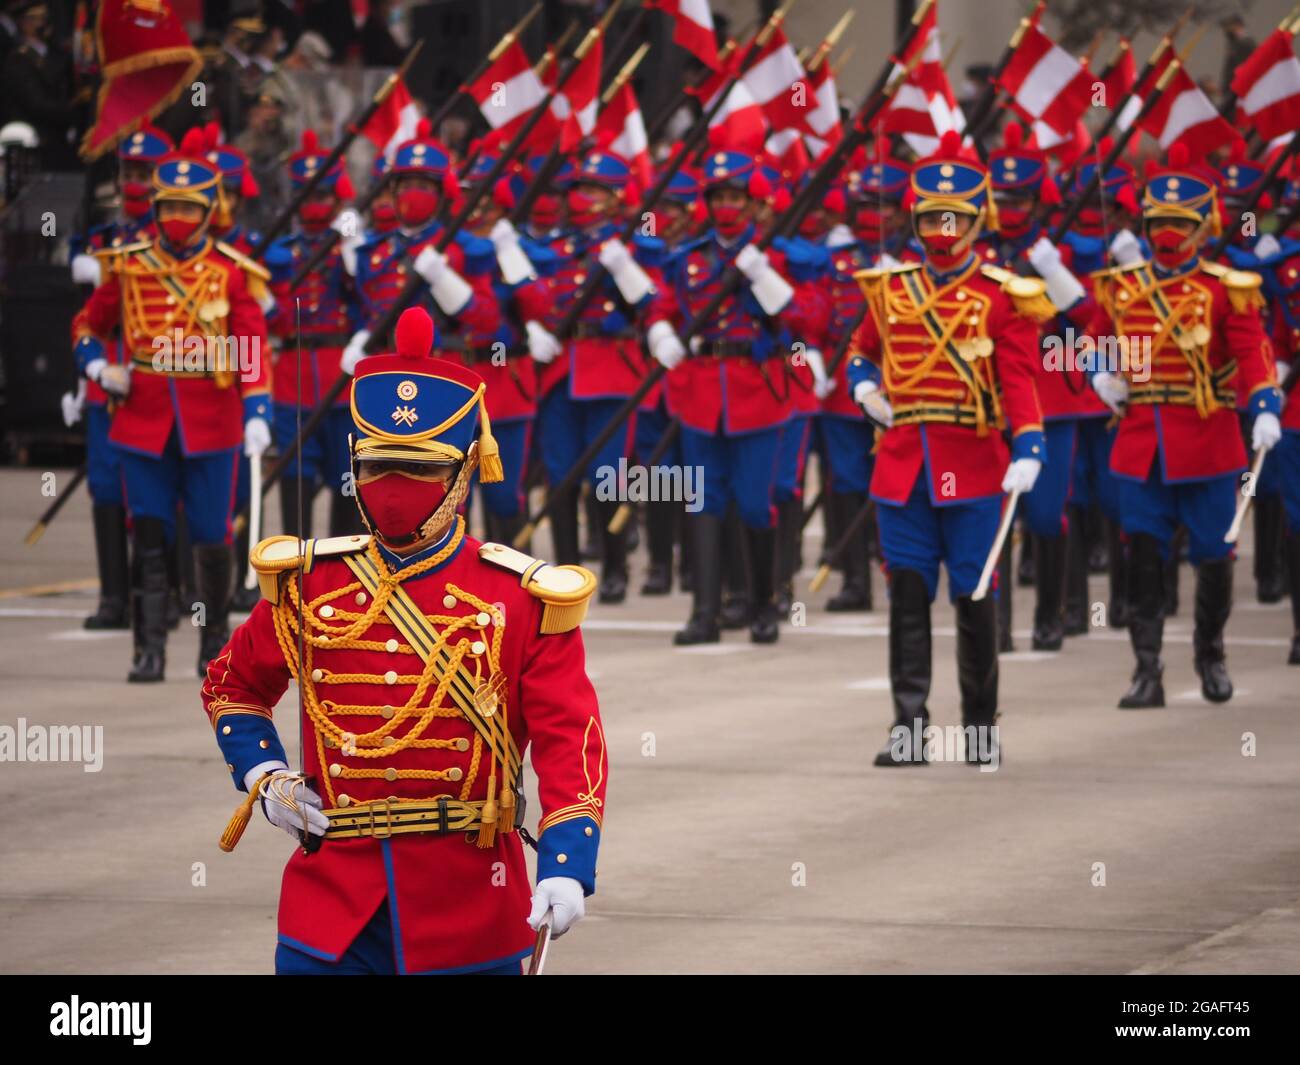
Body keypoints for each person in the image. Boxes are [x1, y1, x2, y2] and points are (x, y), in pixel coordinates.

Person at [203, 307, 607, 975]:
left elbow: (572, 740)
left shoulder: (519, 596)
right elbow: (232, 685)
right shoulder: (310, 582)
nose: (394, 489)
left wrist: (566, 863)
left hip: (471, 911)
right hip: (329, 912)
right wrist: (263, 775)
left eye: (419, 469)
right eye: (378, 466)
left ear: (463, 472)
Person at [846, 133, 1049, 766]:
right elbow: (860, 349)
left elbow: (1017, 375)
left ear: (974, 220)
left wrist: (1030, 443)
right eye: (931, 216)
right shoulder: (891, 289)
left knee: (974, 597)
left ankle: (981, 729)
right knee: (907, 596)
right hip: (904, 466)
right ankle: (908, 729)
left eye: (953, 217)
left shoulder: (1001, 294)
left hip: (975, 464)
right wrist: (861, 387)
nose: (941, 228)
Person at [72, 128, 272, 682]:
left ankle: (213, 647)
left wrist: (258, 410)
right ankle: (149, 649)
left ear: (210, 211)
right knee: (150, 532)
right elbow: (89, 323)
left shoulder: (232, 272)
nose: (179, 216)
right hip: (143, 418)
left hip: (212, 419)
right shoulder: (129, 266)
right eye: (170, 206)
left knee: (211, 534)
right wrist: (94, 365)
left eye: (189, 206)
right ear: (156, 211)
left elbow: (251, 347)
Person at [1087, 145, 1282, 708]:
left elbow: (1253, 353)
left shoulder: (1226, 288)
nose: (1167, 234)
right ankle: (1146, 669)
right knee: (1142, 555)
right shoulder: (1120, 287)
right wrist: (1100, 372)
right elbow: (1087, 341)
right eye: (1159, 223)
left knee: (1214, 556)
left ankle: (1210, 653)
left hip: (1207, 437)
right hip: (1143, 439)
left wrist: (1265, 404)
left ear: (1202, 228)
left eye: (1180, 224)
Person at [659, 149, 828, 645]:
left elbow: (809, 320)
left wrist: (765, 278)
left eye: (736, 198)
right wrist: (660, 336)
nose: (727, 207)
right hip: (703, 390)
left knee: (756, 504)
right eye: (720, 198)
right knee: (704, 503)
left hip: (758, 391)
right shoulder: (691, 257)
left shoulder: (779, 256)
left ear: (753, 205)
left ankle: (762, 604)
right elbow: (663, 308)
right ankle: (705, 614)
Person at [67, 124, 174, 632]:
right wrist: (85, 375)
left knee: (155, 492)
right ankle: (113, 597)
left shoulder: (171, 240)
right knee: (107, 489)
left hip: (153, 377)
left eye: (143, 172)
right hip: (105, 378)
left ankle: (163, 594)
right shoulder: (101, 236)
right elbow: (88, 317)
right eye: (128, 171)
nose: (133, 181)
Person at [264, 129, 363, 541]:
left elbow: (368, 304)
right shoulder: (278, 253)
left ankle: (342, 572)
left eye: (322, 195)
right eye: (308, 195)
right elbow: (271, 322)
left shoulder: (351, 249)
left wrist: (355, 251)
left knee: (348, 478)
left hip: (342, 380)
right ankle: (295, 571)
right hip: (294, 379)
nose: (315, 205)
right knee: (295, 476)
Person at [1, 0, 78, 169]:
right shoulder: (18, 59)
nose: (41, 23)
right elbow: (36, 102)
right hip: (34, 137)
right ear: (23, 23)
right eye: (35, 19)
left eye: (43, 18)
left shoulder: (55, 54)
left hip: (59, 137)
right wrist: (74, 113)